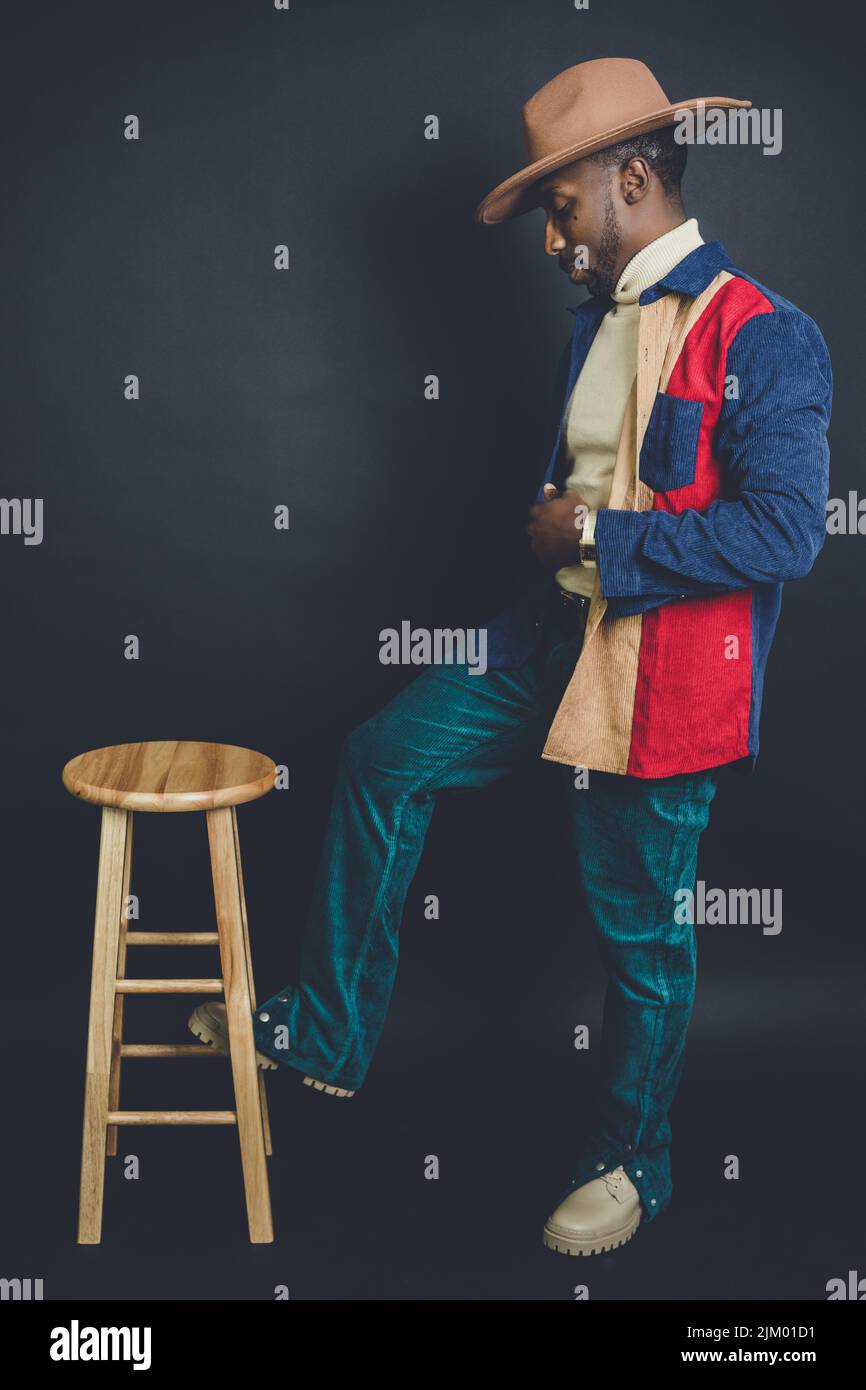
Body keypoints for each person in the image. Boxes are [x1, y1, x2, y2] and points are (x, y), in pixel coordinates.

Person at [188, 58, 832, 1257]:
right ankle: (329, 1036)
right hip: (553, 640)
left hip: (665, 683)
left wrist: (596, 534)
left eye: (562, 205)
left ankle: (635, 1161)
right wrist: (565, 542)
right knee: (385, 757)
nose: (552, 238)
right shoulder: (596, 316)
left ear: (632, 176)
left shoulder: (765, 333)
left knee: (639, 939)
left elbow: (786, 530)